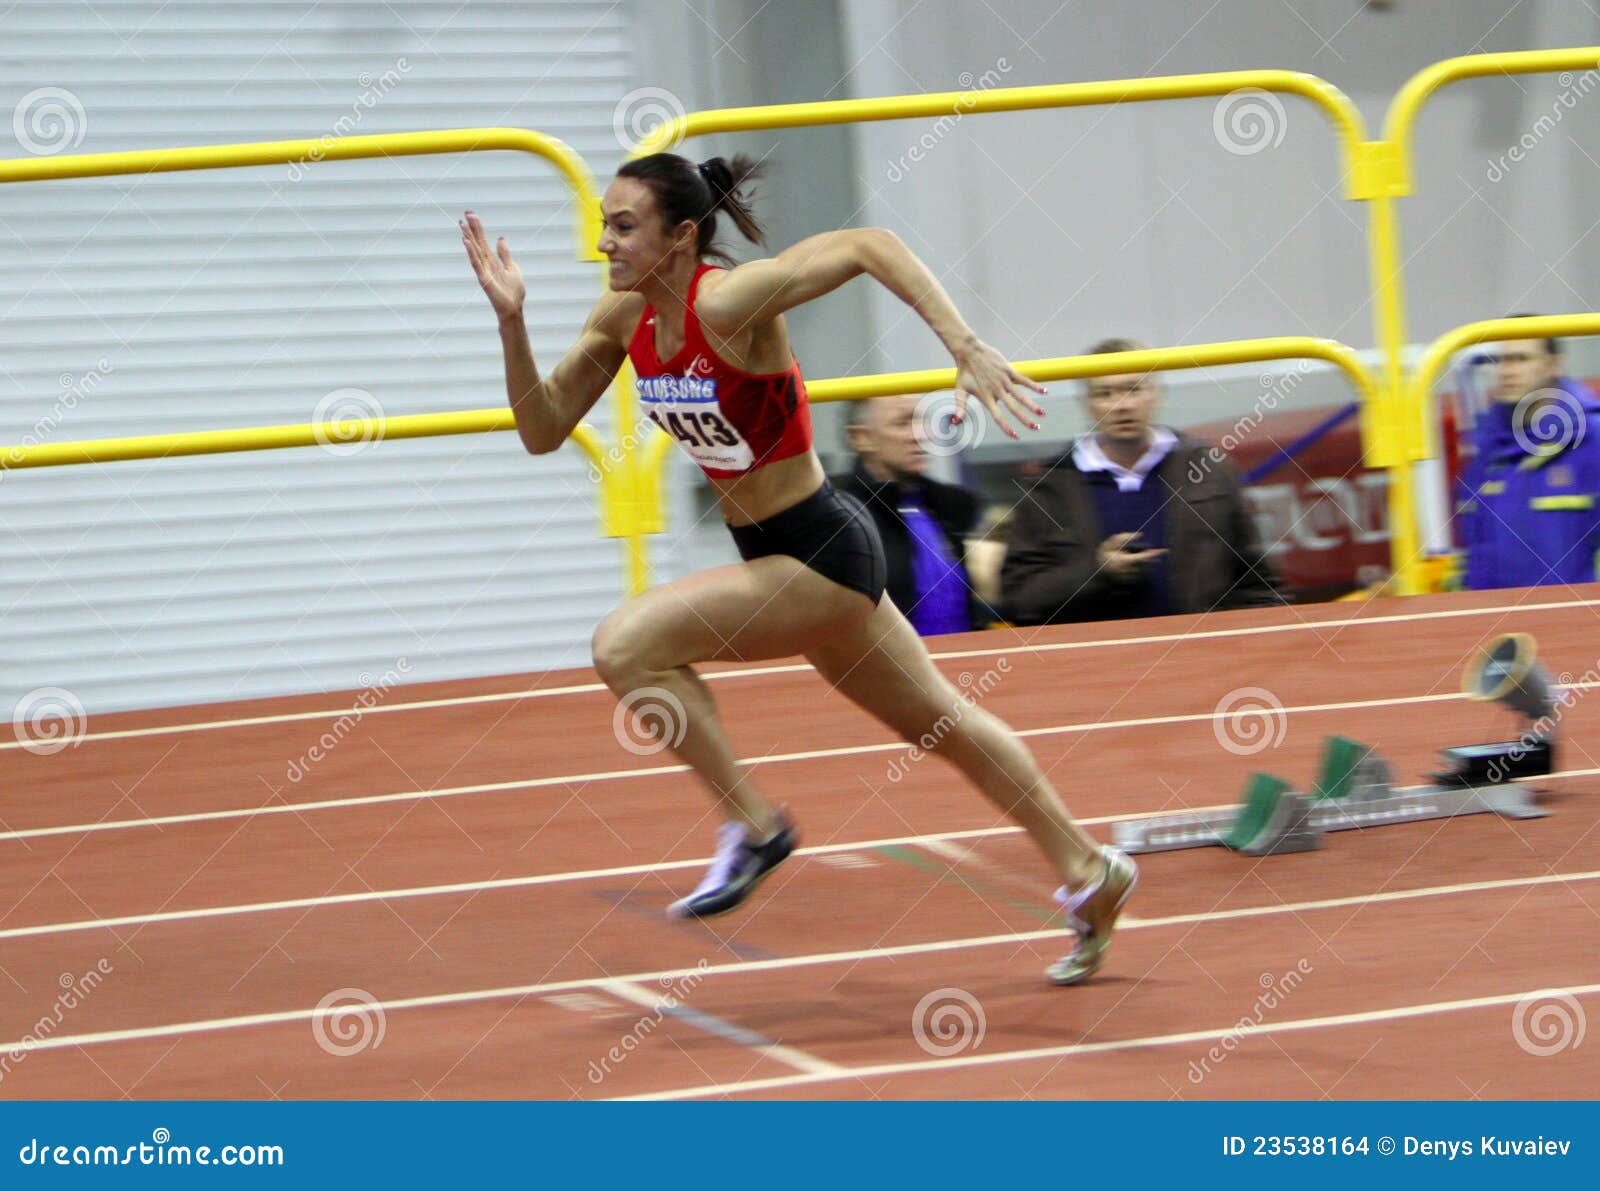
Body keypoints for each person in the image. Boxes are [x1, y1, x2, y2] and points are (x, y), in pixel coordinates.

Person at [459, 152, 1135, 985]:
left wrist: (964, 344)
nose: (604, 242)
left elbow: (870, 245)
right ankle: (1088, 866)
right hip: (784, 559)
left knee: (623, 646)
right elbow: (542, 427)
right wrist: (511, 322)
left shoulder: (729, 301)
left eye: (623, 225)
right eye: (604, 223)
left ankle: (753, 824)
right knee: (945, 726)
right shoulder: (620, 319)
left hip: (819, 549)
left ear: (680, 237)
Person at [1000, 338, 1281, 624]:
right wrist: (1098, 571)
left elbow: (1260, 583)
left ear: (1156, 394)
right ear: (1086, 403)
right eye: (1105, 393)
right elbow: (1020, 601)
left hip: (1203, 659)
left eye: (1133, 389)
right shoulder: (1049, 486)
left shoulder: (1209, 469)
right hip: (1097, 664)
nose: (1122, 405)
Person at [1456, 324, 1600, 591]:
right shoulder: (1486, 447)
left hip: (1577, 624)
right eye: (1500, 360)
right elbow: (1472, 549)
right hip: (1495, 621)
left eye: (1521, 359)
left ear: (1553, 365)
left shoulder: (1592, 439)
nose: (1507, 371)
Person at [838, 395, 985, 635]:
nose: (922, 434)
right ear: (861, 438)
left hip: (961, 662)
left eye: (921, 420)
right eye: (902, 423)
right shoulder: (840, 518)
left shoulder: (947, 505)